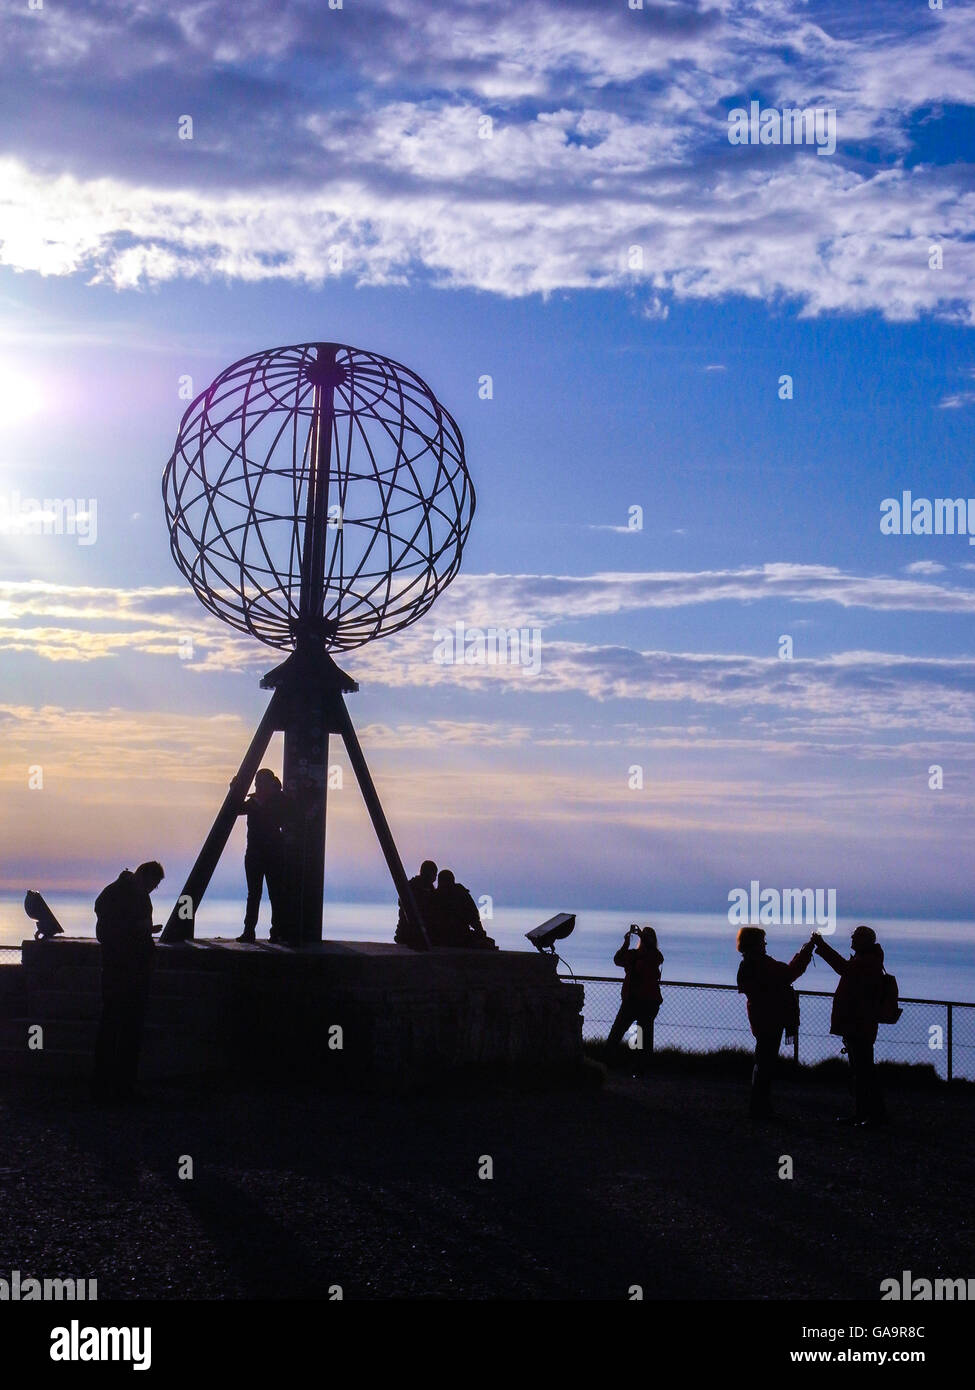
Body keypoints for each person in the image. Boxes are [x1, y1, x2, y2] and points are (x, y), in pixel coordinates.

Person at [92, 860, 164, 1104]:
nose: (153, 890)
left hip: (127, 971)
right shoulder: (118, 895)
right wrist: (138, 928)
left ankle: (115, 1085)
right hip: (121, 971)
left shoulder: (124, 894)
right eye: (153, 884)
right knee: (117, 1028)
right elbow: (107, 932)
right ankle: (113, 1086)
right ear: (143, 876)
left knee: (120, 1028)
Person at [736, 927, 815, 1121]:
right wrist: (806, 951)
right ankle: (760, 1106)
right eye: (763, 941)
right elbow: (789, 973)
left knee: (763, 1061)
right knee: (765, 1063)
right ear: (755, 944)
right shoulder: (761, 964)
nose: (765, 944)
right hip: (770, 1018)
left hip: (761, 1018)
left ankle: (759, 1104)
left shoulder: (749, 965)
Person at [813, 925, 888, 1126]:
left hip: (859, 1024)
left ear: (864, 941)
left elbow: (843, 968)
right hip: (858, 1023)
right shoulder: (867, 960)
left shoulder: (867, 962)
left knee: (864, 1071)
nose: (852, 940)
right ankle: (865, 1113)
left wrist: (822, 946)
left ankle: (873, 1115)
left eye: (855, 937)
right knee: (862, 1070)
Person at [236, 769, 291, 943]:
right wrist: (235, 789)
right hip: (257, 853)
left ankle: (275, 932)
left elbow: (285, 817)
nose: (258, 787)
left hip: (270, 853)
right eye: (257, 784)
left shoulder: (278, 801)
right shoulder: (254, 802)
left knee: (273, 894)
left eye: (260, 783)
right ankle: (250, 931)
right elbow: (236, 809)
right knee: (257, 894)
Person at [607, 925, 664, 1075]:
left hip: (644, 1002)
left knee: (642, 1038)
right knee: (618, 1033)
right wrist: (626, 942)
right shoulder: (636, 955)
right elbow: (617, 959)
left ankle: (639, 1068)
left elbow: (657, 957)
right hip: (635, 1001)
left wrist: (641, 936)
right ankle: (609, 1063)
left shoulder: (652, 956)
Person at [431, 869, 498, 949]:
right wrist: (480, 932)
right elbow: (473, 917)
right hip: (458, 937)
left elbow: (473, 917)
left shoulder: (435, 896)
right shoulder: (461, 894)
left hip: (446, 937)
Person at [394, 860, 437, 949]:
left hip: (408, 933)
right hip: (410, 934)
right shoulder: (414, 888)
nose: (434, 878)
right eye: (434, 874)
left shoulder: (414, 886)